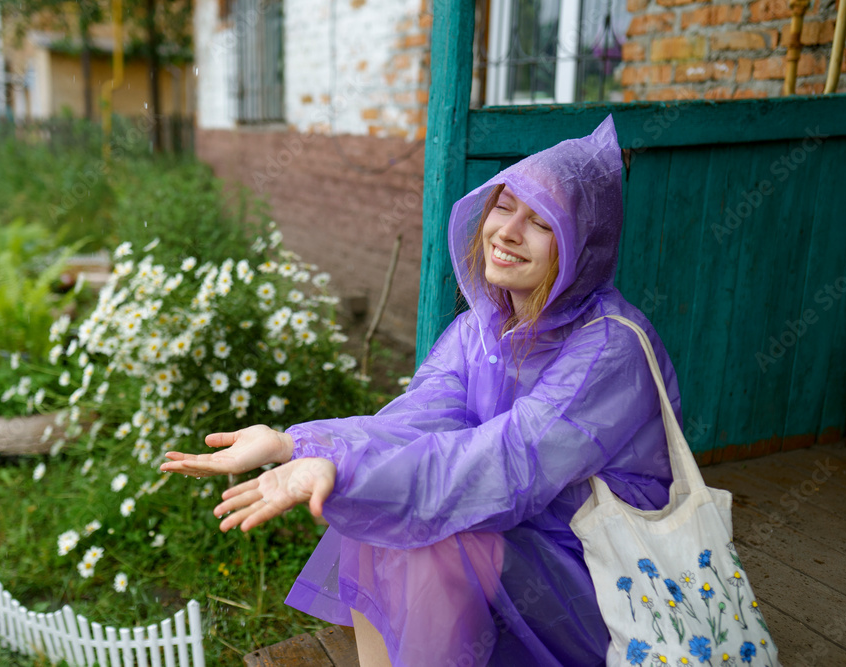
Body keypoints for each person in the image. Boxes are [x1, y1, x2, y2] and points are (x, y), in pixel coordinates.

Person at [160, 114, 681, 667]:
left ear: (583, 245)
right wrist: (297, 447)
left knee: (425, 533)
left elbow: (508, 463)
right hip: (520, 529)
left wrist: (350, 473)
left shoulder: (609, 349)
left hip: (604, 567)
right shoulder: (482, 327)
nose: (507, 231)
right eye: (504, 206)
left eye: (543, 221)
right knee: (380, 515)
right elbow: (415, 420)